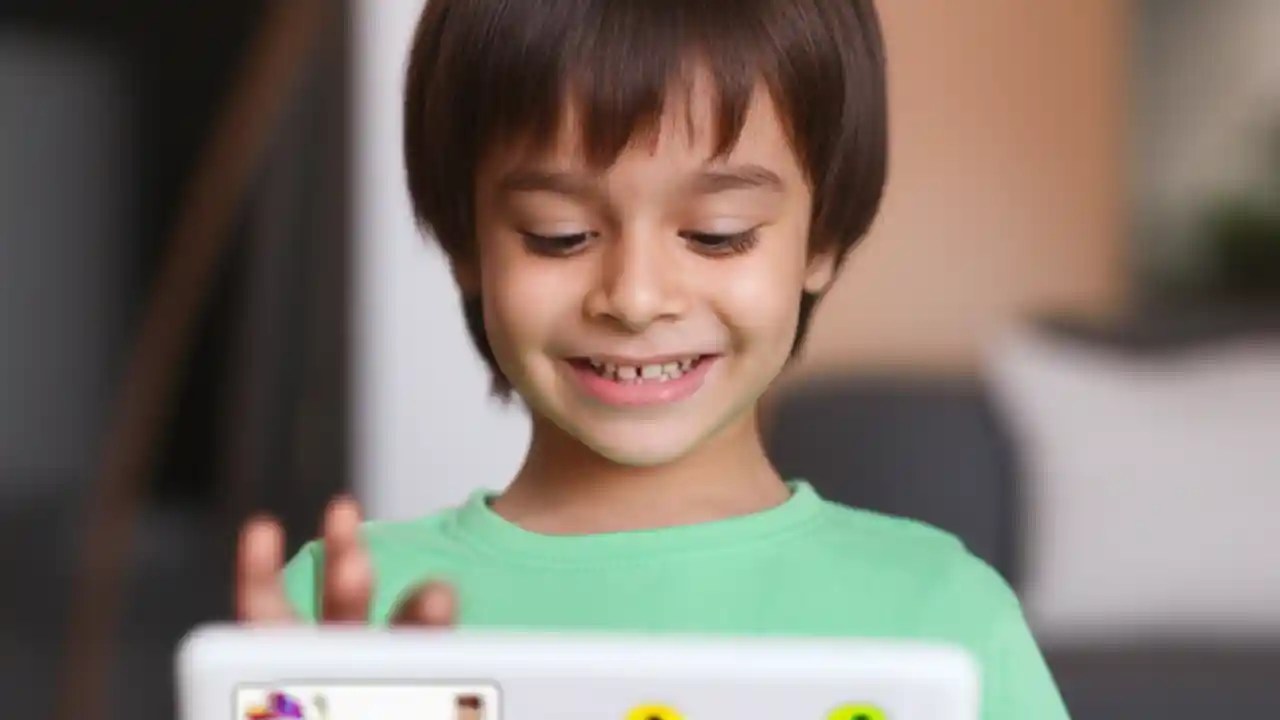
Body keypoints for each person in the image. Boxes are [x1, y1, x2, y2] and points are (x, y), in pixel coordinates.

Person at [235, 1, 1070, 718]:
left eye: (717, 235)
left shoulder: (940, 615)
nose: (634, 298)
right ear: (466, 243)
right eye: (559, 236)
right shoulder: (345, 614)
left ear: (822, 238)